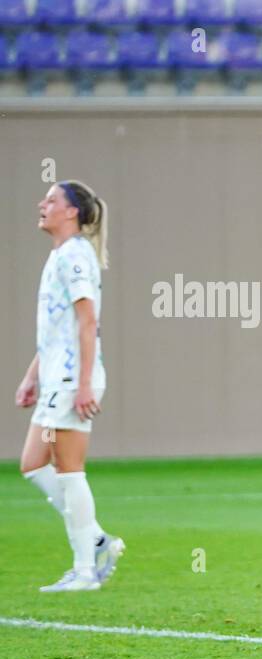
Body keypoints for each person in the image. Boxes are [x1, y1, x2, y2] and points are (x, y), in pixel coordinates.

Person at [14, 181, 125, 592]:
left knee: (68, 468)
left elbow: (87, 321)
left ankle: (84, 570)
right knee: (33, 463)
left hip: (72, 376)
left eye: (51, 200)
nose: (42, 204)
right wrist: (31, 376)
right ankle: (96, 540)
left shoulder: (76, 255)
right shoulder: (58, 255)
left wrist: (83, 385)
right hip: (56, 373)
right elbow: (57, 330)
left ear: (72, 212)